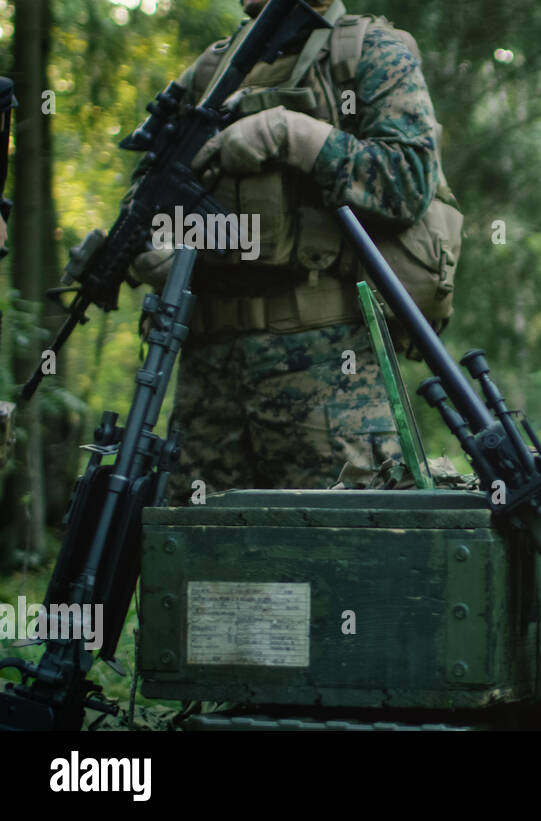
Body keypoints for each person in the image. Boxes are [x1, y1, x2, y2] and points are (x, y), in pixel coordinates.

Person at [133, 0, 459, 503]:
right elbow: (153, 190)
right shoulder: (210, 71)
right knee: (201, 565)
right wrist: (158, 244)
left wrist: (295, 136)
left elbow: (408, 182)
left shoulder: (367, 52)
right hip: (209, 380)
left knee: (339, 559)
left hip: (329, 375)